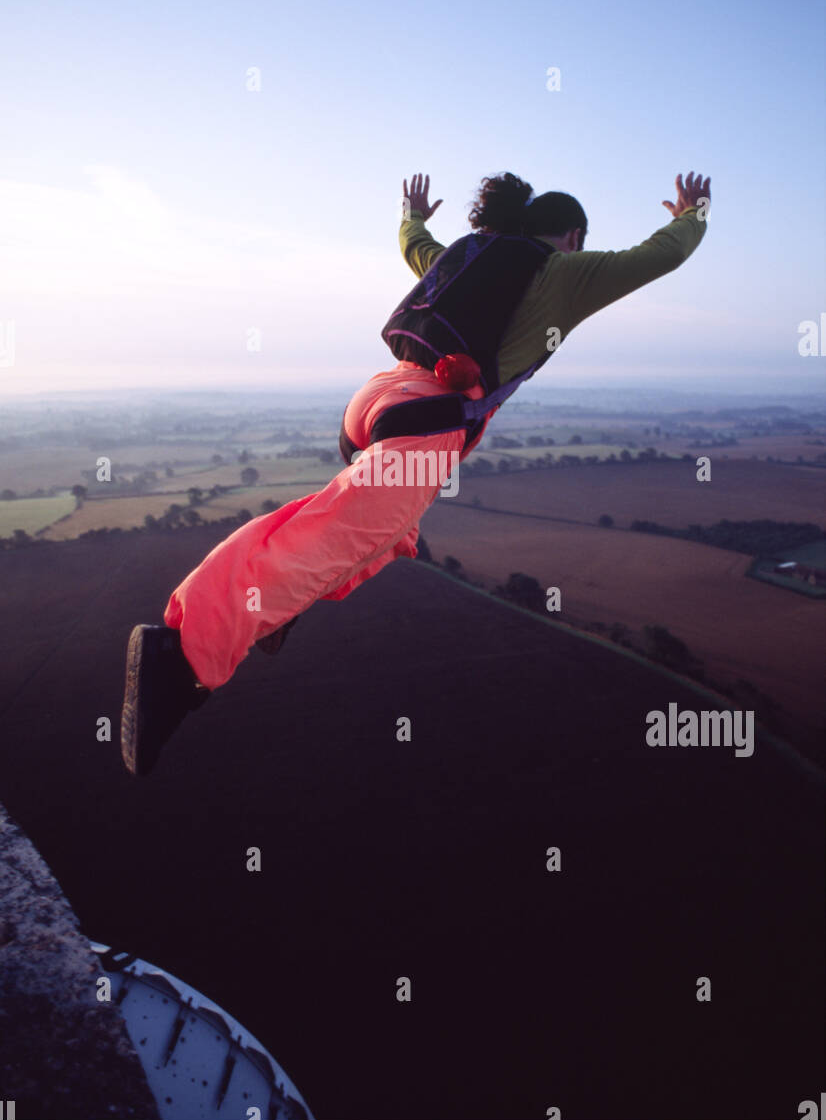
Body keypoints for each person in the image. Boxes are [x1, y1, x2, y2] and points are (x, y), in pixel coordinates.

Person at [121, 168, 710, 775]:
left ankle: (275, 610)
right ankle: (180, 657)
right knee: (328, 541)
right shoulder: (565, 271)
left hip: (383, 398)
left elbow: (415, 248)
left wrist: (414, 215)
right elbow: (658, 256)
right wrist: (693, 214)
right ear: (574, 236)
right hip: (427, 421)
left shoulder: (470, 259)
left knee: (383, 541)